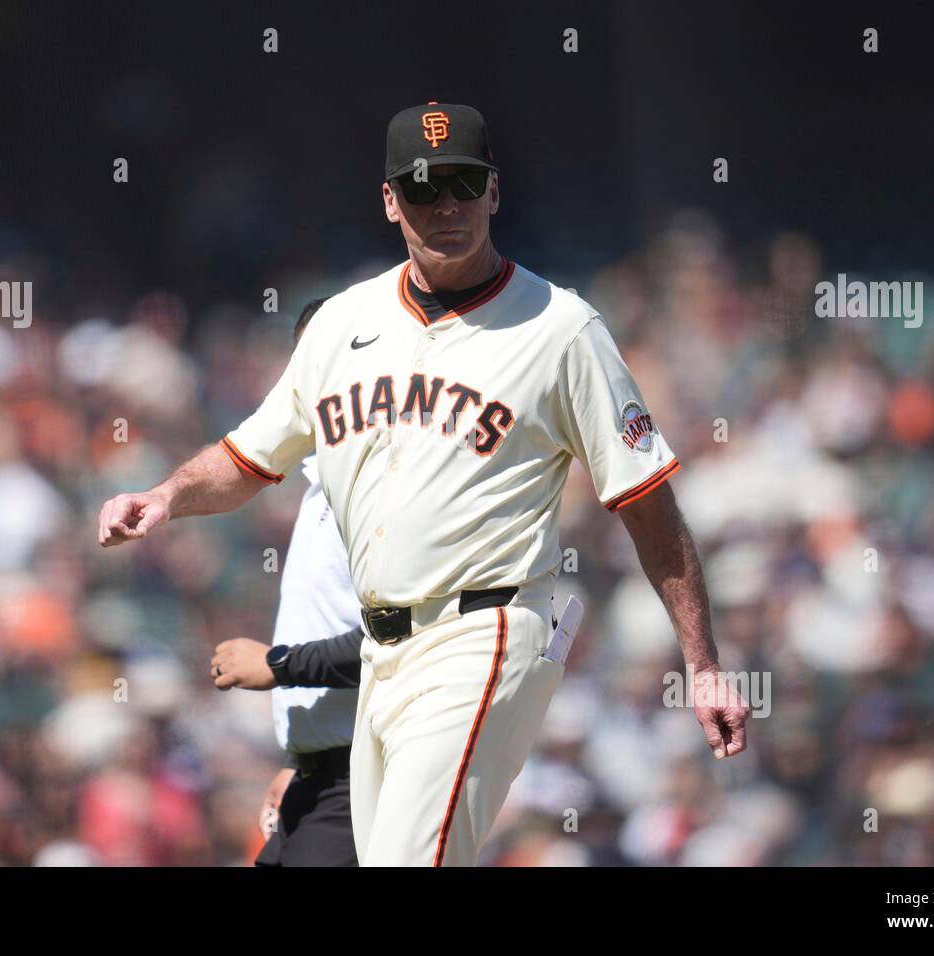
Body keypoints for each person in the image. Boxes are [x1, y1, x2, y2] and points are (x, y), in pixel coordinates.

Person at [97, 101, 748, 867]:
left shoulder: (562, 330)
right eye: (423, 188)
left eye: (464, 185)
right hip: (381, 655)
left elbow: (648, 504)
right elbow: (246, 460)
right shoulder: (342, 323)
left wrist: (702, 665)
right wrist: (169, 495)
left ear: (494, 193)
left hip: (486, 630)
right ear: (389, 200)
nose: (446, 206)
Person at [209, 298, 364, 867]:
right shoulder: (319, 481)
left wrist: (278, 666)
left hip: (371, 778)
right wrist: (305, 760)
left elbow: (409, 640)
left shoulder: (384, 494)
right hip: (324, 775)